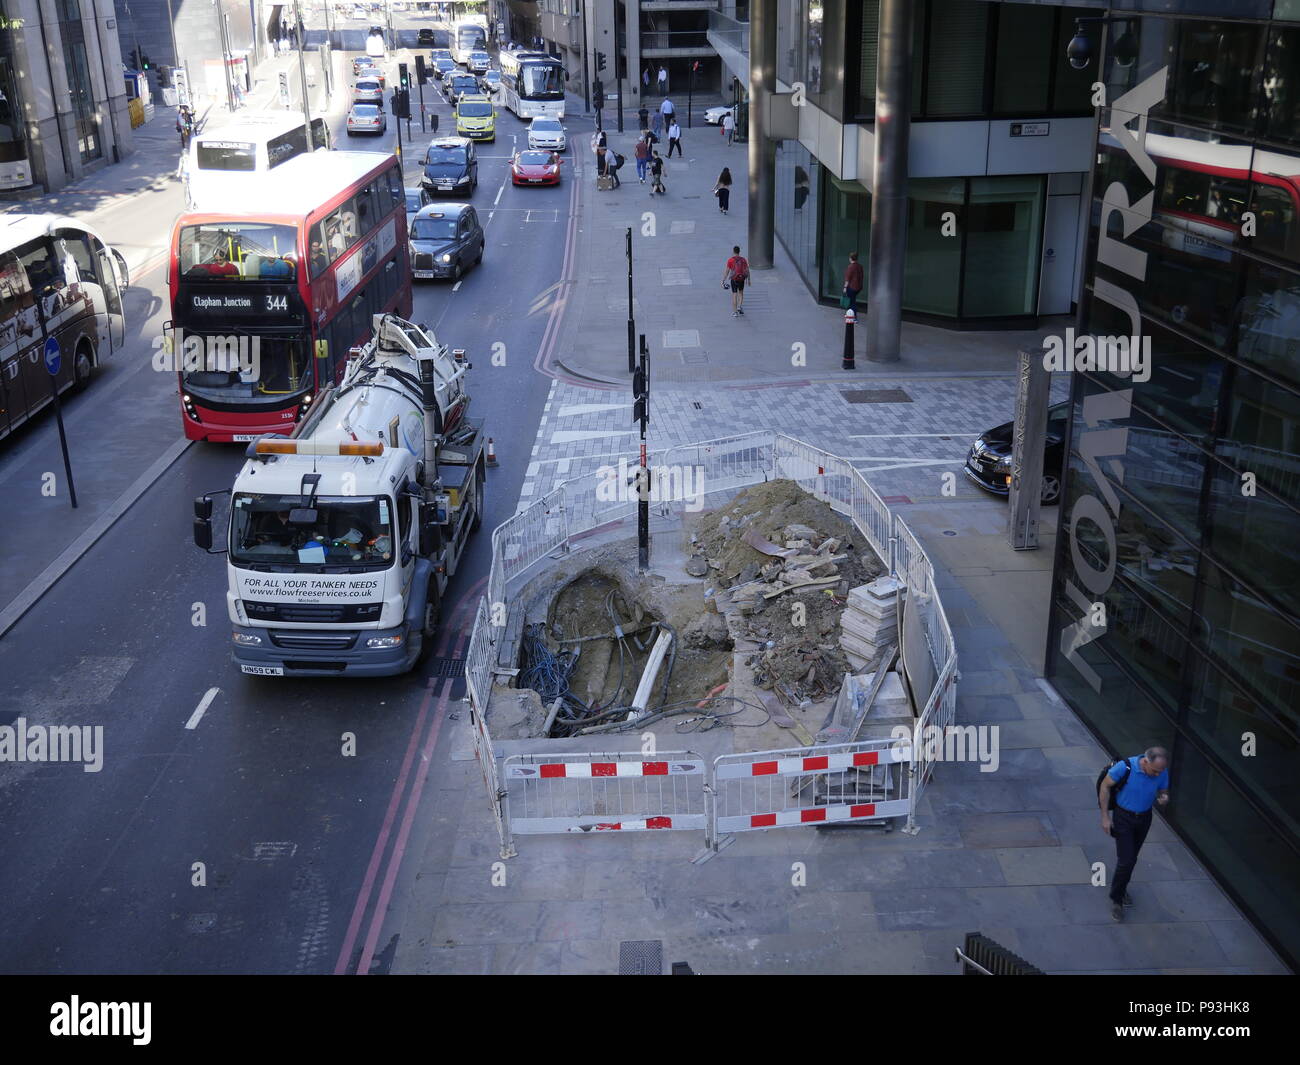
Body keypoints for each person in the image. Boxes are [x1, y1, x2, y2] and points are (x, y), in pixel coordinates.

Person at [1099, 747, 1170, 922]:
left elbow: (1163, 790)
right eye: (1154, 771)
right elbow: (1105, 786)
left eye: (1160, 772)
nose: (1157, 775)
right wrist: (1105, 817)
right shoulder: (1125, 767)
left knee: (1132, 858)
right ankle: (1117, 899)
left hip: (1144, 818)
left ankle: (1121, 888)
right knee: (1127, 860)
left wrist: (1164, 797)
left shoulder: (1161, 771)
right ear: (1145, 761)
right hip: (1124, 817)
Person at [721, 245, 749, 316]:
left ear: (733, 251)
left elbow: (727, 271)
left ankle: (735, 312)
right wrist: (748, 279)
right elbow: (747, 270)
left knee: (734, 294)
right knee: (741, 293)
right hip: (741, 278)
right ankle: (739, 307)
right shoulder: (743, 259)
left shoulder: (730, 260)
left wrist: (723, 280)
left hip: (734, 279)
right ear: (739, 252)